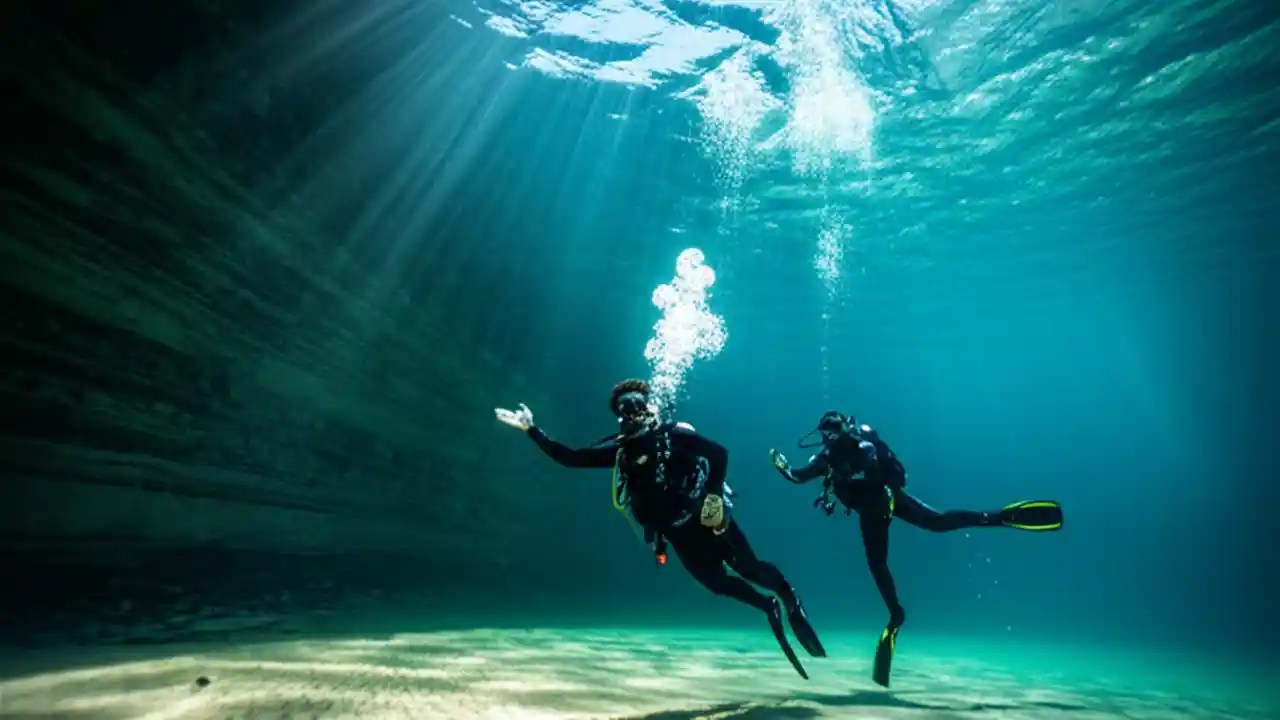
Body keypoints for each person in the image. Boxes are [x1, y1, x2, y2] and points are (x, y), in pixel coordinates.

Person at [496, 379, 825, 678]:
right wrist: (531, 429)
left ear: (648, 408)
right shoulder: (620, 450)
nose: (629, 415)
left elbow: (719, 454)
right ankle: (767, 607)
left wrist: (712, 495)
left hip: (708, 522)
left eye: (635, 406)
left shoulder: (673, 436)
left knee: (749, 568)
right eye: (622, 410)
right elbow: (571, 457)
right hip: (679, 537)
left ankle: (788, 597)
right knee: (717, 583)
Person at [769, 410, 1063, 686]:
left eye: (834, 430)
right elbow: (799, 475)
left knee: (898, 549)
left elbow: (869, 463)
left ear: (846, 428)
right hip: (880, 505)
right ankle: (896, 612)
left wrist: (847, 468)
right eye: (827, 432)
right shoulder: (826, 458)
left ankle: (998, 518)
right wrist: (784, 468)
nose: (830, 437)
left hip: (883, 503)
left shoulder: (863, 448)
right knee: (921, 532)